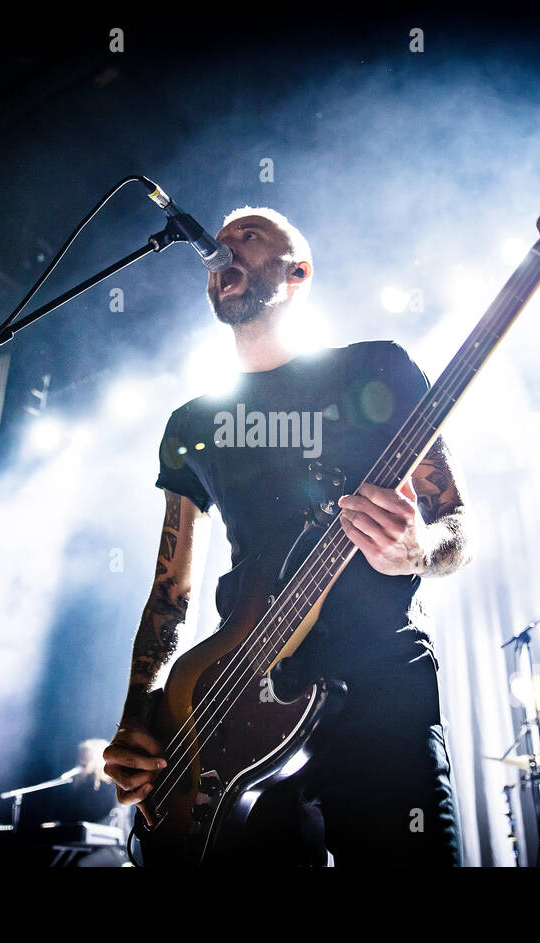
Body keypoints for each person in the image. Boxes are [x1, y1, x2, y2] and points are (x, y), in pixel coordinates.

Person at [104, 206, 473, 866]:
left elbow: (457, 525)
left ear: (297, 272)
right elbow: (170, 591)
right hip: (237, 698)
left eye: (248, 238)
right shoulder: (192, 421)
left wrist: (418, 547)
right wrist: (139, 717)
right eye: (217, 246)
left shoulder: (376, 369)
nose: (223, 254)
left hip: (379, 685)